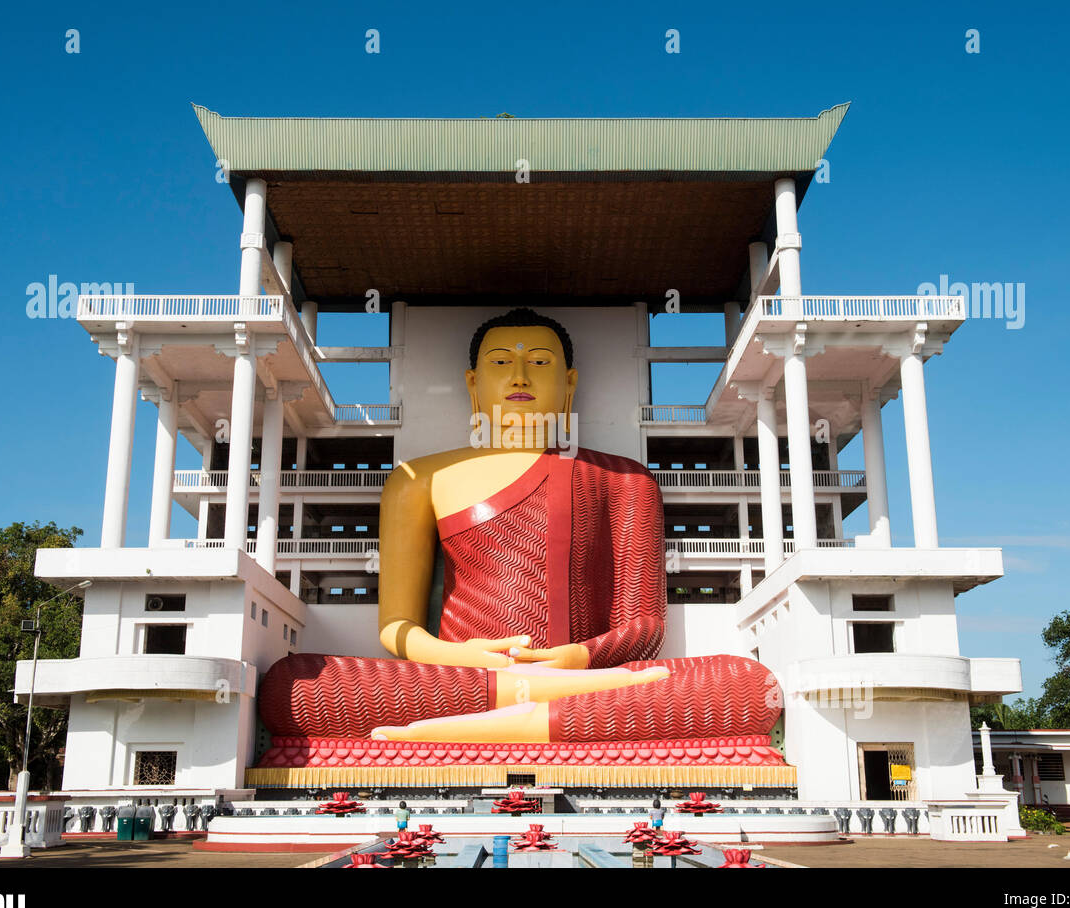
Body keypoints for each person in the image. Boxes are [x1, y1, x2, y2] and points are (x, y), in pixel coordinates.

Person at [258, 309, 781, 744]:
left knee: (746, 684)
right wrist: (456, 656)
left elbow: (645, 628)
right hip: (459, 676)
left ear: (569, 382)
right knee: (293, 686)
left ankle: (484, 722)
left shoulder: (625, 479)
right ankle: (539, 712)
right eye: (502, 362)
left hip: (589, 676)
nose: (520, 377)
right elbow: (396, 628)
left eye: (540, 362)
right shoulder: (419, 478)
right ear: (473, 382)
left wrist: (579, 657)